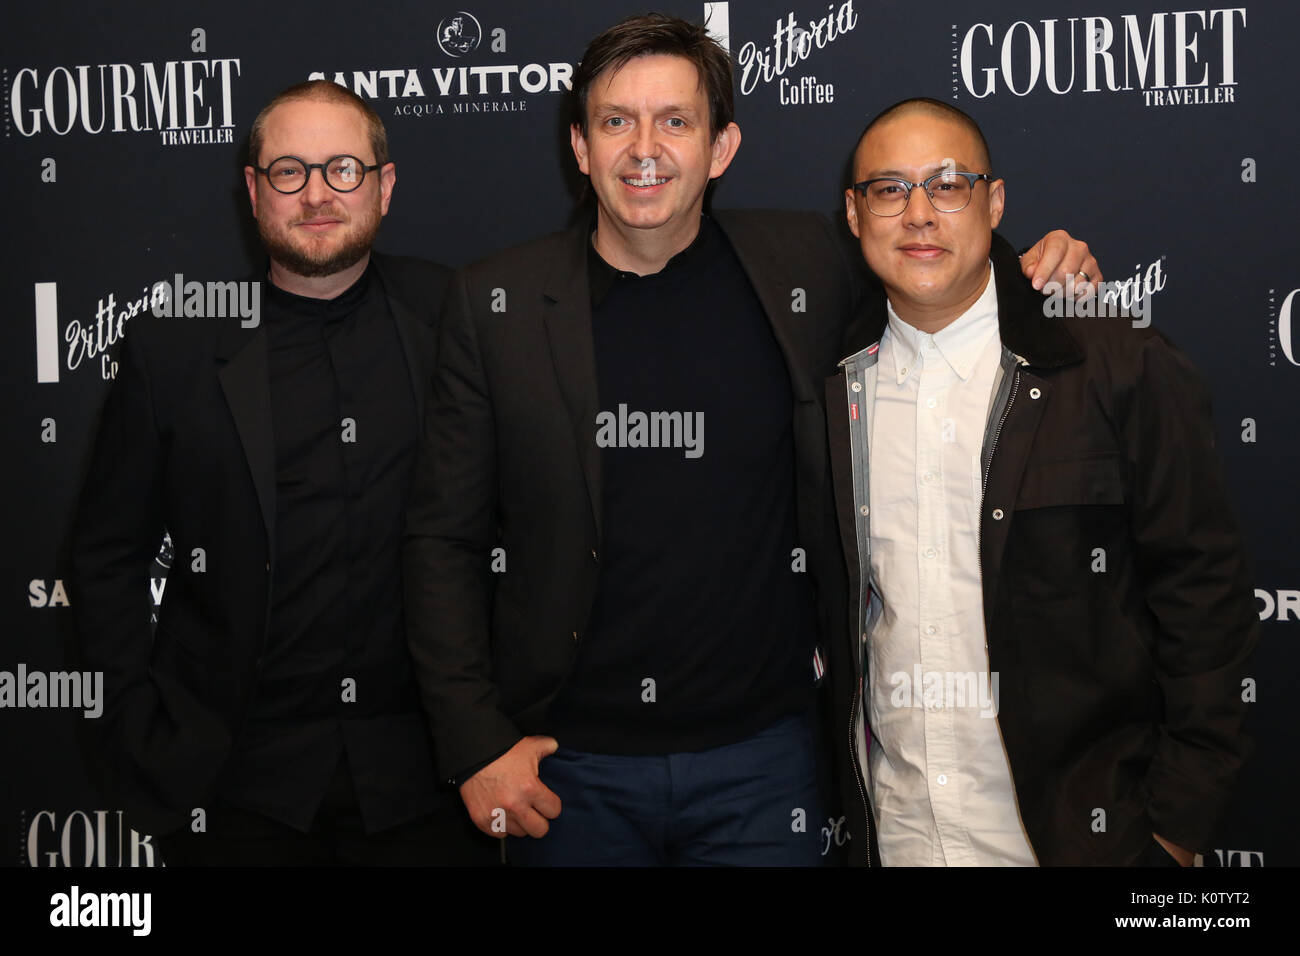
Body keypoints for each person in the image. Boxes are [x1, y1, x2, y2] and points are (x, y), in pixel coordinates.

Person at [403, 15, 1097, 866]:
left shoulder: (803, 264)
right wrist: (475, 741)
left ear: (722, 146)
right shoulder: (494, 306)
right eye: (616, 121)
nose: (644, 148)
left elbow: (932, 257)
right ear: (580, 146)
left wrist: (1036, 269)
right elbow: (442, 539)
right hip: (565, 768)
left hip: (765, 764)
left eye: (676, 121)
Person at [69, 80, 493, 865]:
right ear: (255, 192)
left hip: (431, 778)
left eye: (343, 169)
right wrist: (134, 725)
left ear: (384, 186)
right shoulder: (173, 350)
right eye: (290, 172)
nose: (318, 194)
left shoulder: (457, 317)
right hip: (233, 786)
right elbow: (104, 556)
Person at [826, 97, 1257, 866]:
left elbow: (1205, 596)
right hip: (896, 837)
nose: (919, 213)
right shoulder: (830, 385)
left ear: (994, 202)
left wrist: (1176, 827)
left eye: (949, 185)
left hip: (1082, 841)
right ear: (855, 215)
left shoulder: (1114, 364)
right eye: (889, 190)